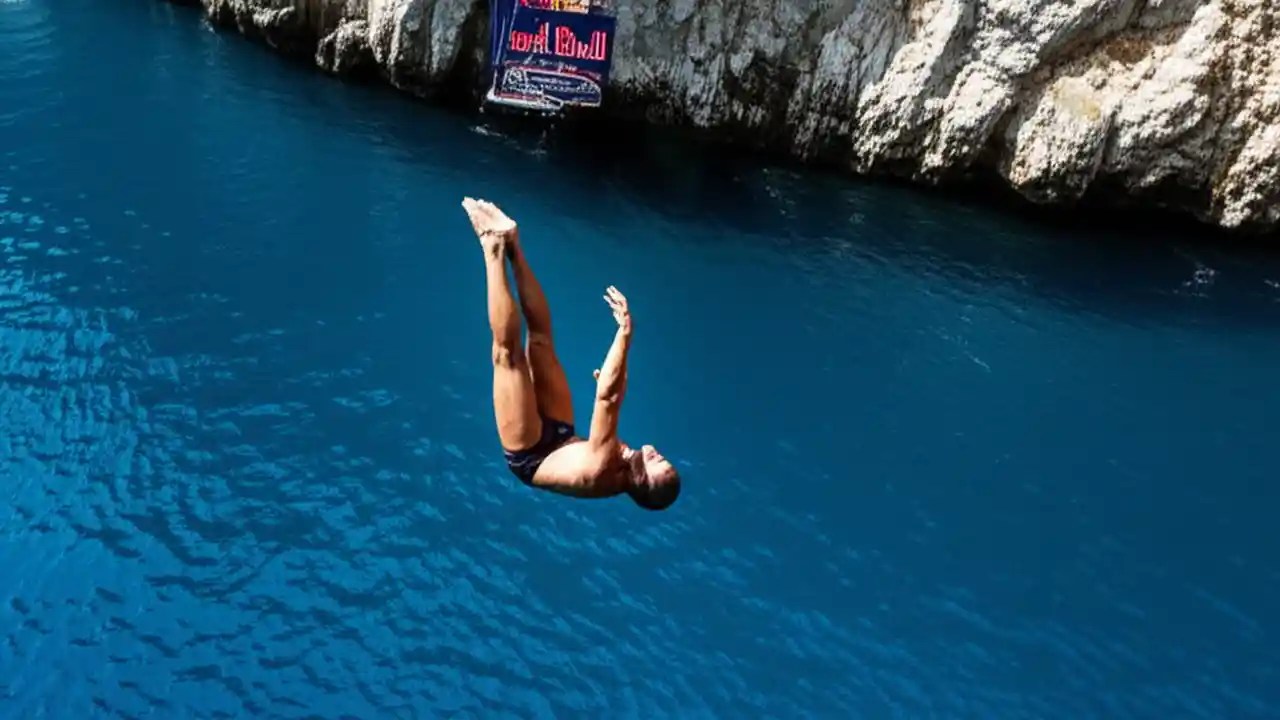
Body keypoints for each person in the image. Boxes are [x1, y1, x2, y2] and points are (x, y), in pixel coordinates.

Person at [461, 196, 681, 511]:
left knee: (508, 356)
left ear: (640, 480)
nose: (659, 455)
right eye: (665, 461)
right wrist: (611, 378)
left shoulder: (605, 466)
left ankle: (494, 246)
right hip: (562, 437)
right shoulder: (621, 464)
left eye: (657, 464)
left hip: (531, 455)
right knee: (540, 340)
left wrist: (624, 334)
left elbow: (609, 399)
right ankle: (511, 243)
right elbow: (612, 394)